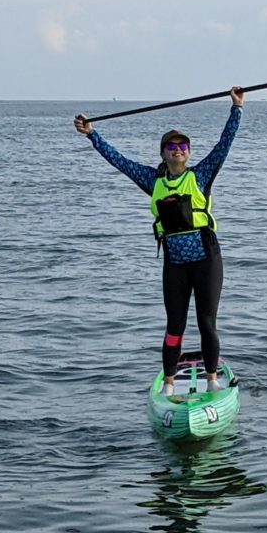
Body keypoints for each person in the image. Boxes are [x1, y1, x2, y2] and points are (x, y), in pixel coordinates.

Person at [73, 87, 245, 396]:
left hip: (207, 259)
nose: (177, 149)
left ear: (188, 152)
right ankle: (168, 386)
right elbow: (119, 161)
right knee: (174, 326)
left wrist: (236, 108)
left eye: (182, 145)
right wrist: (92, 135)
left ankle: (212, 380)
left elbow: (224, 145)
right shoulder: (153, 181)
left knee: (207, 322)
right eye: (171, 146)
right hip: (175, 264)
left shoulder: (201, 175)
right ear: (163, 153)